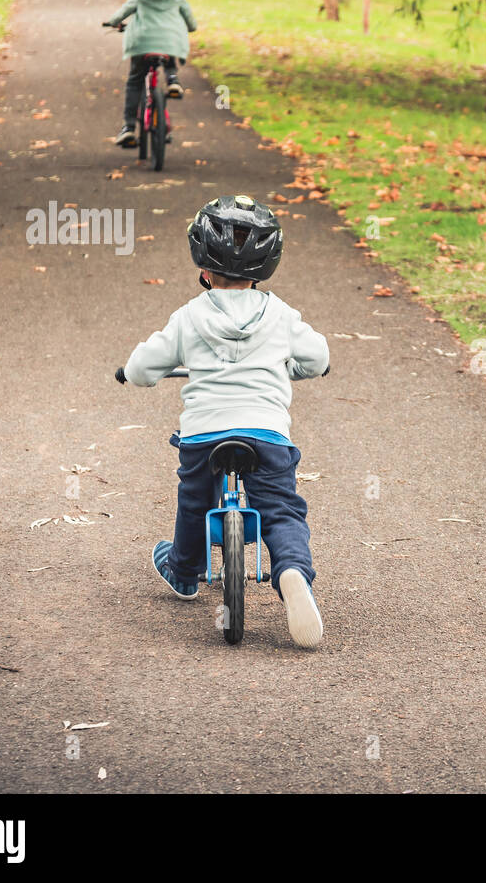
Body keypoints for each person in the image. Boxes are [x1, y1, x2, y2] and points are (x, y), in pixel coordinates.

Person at [117, 196, 331, 648]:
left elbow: (141, 367)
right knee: (281, 508)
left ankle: (183, 570)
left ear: (204, 266)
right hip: (267, 433)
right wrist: (292, 368)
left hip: (204, 434)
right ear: (266, 266)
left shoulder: (189, 317)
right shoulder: (280, 314)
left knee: (194, 503)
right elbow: (318, 358)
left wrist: (135, 375)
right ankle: (292, 571)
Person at [104, 0, 197, 148]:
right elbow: (191, 23)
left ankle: (128, 128)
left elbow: (124, 12)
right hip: (169, 45)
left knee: (135, 80)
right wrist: (188, 27)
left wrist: (112, 22)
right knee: (169, 42)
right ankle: (172, 78)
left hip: (142, 44)